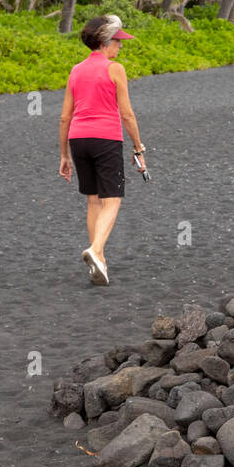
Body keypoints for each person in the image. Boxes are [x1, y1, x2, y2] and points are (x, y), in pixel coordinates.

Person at [58, 15, 146, 286]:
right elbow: (127, 114)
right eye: (118, 41)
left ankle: (101, 261)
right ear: (106, 42)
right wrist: (138, 147)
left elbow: (64, 116)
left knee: (93, 199)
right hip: (105, 139)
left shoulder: (75, 70)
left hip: (78, 140)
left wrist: (64, 155)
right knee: (113, 198)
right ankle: (95, 250)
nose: (120, 46)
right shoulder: (115, 69)